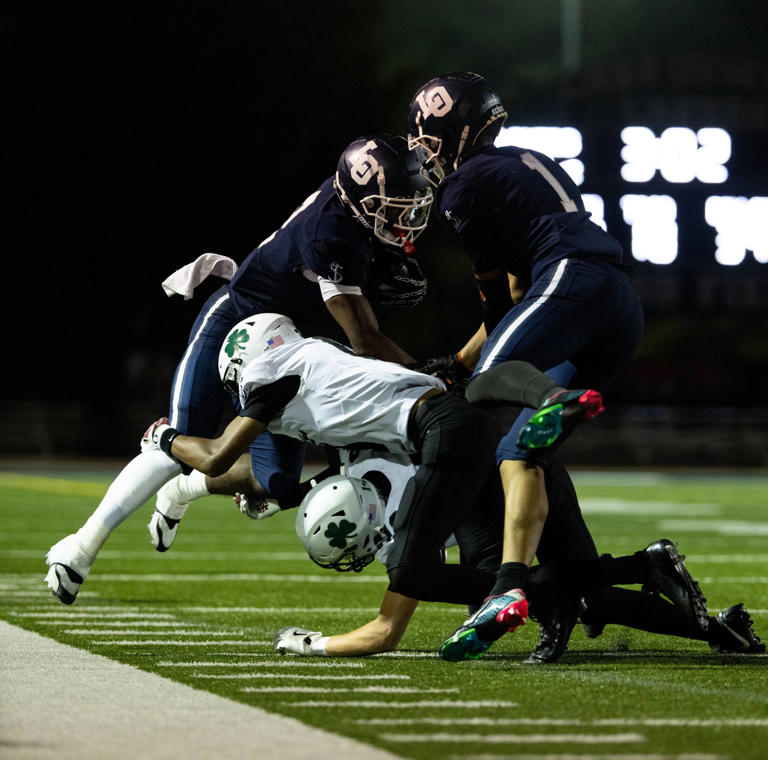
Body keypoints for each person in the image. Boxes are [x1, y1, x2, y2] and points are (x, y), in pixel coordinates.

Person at [136, 310, 726, 664]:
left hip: (455, 437)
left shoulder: (276, 380)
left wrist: (165, 440)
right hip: (456, 438)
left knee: (424, 574)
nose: (356, 554)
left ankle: (613, 577)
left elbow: (215, 457)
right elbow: (292, 479)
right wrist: (268, 491)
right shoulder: (322, 371)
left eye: (349, 545)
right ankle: (663, 589)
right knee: (496, 594)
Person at [44, 134, 434, 605]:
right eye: (390, 206)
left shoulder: (350, 213)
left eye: (406, 204)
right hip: (239, 327)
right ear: (356, 199)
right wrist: (428, 377)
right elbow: (364, 340)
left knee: (279, 487)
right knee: (180, 439)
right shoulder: (333, 231)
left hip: (288, 350)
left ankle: (185, 490)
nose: (402, 217)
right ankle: (80, 547)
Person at [407, 72, 645, 655]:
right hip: (619, 302)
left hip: (570, 280)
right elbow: (519, 295)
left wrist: (468, 368)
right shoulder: (529, 161)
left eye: (432, 136)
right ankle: (510, 587)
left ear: (458, 132)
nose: (426, 150)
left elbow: (497, 300)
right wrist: (461, 361)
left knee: (492, 383)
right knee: (519, 450)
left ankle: (552, 400)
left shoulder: (462, 187)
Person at [274, 463, 764, 661]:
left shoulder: (409, 529)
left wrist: (312, 644)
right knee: (568, 599)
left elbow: (384, 631)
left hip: (510, 484)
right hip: (498, 478)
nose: (355, 559)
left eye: (351, 547)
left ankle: (639, 568)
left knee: (524, 592)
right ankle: (720, 628)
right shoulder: (364, 472)